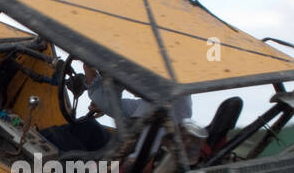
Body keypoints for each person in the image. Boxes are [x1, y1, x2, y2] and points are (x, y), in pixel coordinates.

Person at [41, 63, 191, 154]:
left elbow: (135, 163)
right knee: (88, 126)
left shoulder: (162, 111)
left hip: (122, 169)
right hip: (127, 151)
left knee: (55, 137)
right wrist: (91, 74)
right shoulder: (160, 97)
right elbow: (124, 108)